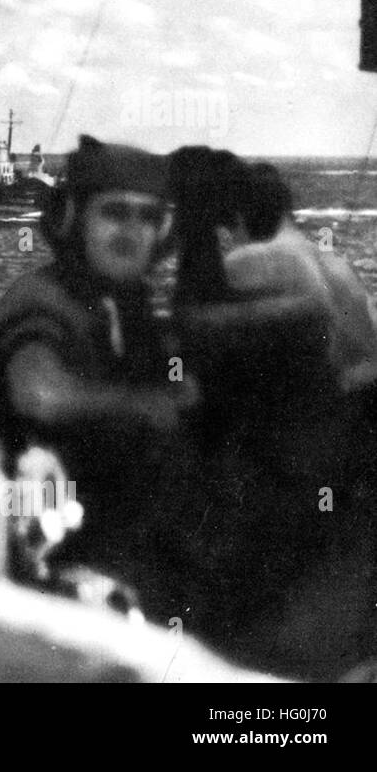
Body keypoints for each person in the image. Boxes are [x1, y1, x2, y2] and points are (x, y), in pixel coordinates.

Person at [169, 153, 377, 676]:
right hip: (353, 460)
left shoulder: (256, 261)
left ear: (235, 219)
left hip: (304, 460)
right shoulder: (334, 262)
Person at [0, 135, 201, 617]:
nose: (132, 231)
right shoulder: (41, 297)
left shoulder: (128, 304)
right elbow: (39, 393)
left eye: (148, 217)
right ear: (71, 220)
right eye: (114, 213)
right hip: (53, 549)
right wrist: (144, 402)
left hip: (132, 530)